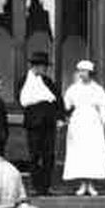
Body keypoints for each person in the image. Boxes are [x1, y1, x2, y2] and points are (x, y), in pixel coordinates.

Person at [15, 51, 64, 195]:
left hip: (49, 123)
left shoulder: (48, 81)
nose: (44, 69)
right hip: (33, 123)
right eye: (43, 66)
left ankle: (46, 187)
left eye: (45, 67)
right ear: (35, 66)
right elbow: (21, 100)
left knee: (49, 155)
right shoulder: (24, 81)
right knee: (34, 155)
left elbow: (58, 100)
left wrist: (60, 118)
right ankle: (36, 187)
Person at [62, 60, 105, 195]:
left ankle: (91, 184)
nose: (82, 74)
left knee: (91, 152)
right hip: (78, 122)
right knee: (80, 152)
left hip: (93, 123)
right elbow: (66, 106)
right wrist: (65, 118)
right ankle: (82, 184)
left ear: (90, 73)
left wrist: (103, 123)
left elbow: (102, 108)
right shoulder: (73, 89)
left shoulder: (98, 89)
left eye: (84, 71)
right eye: (80, 71)